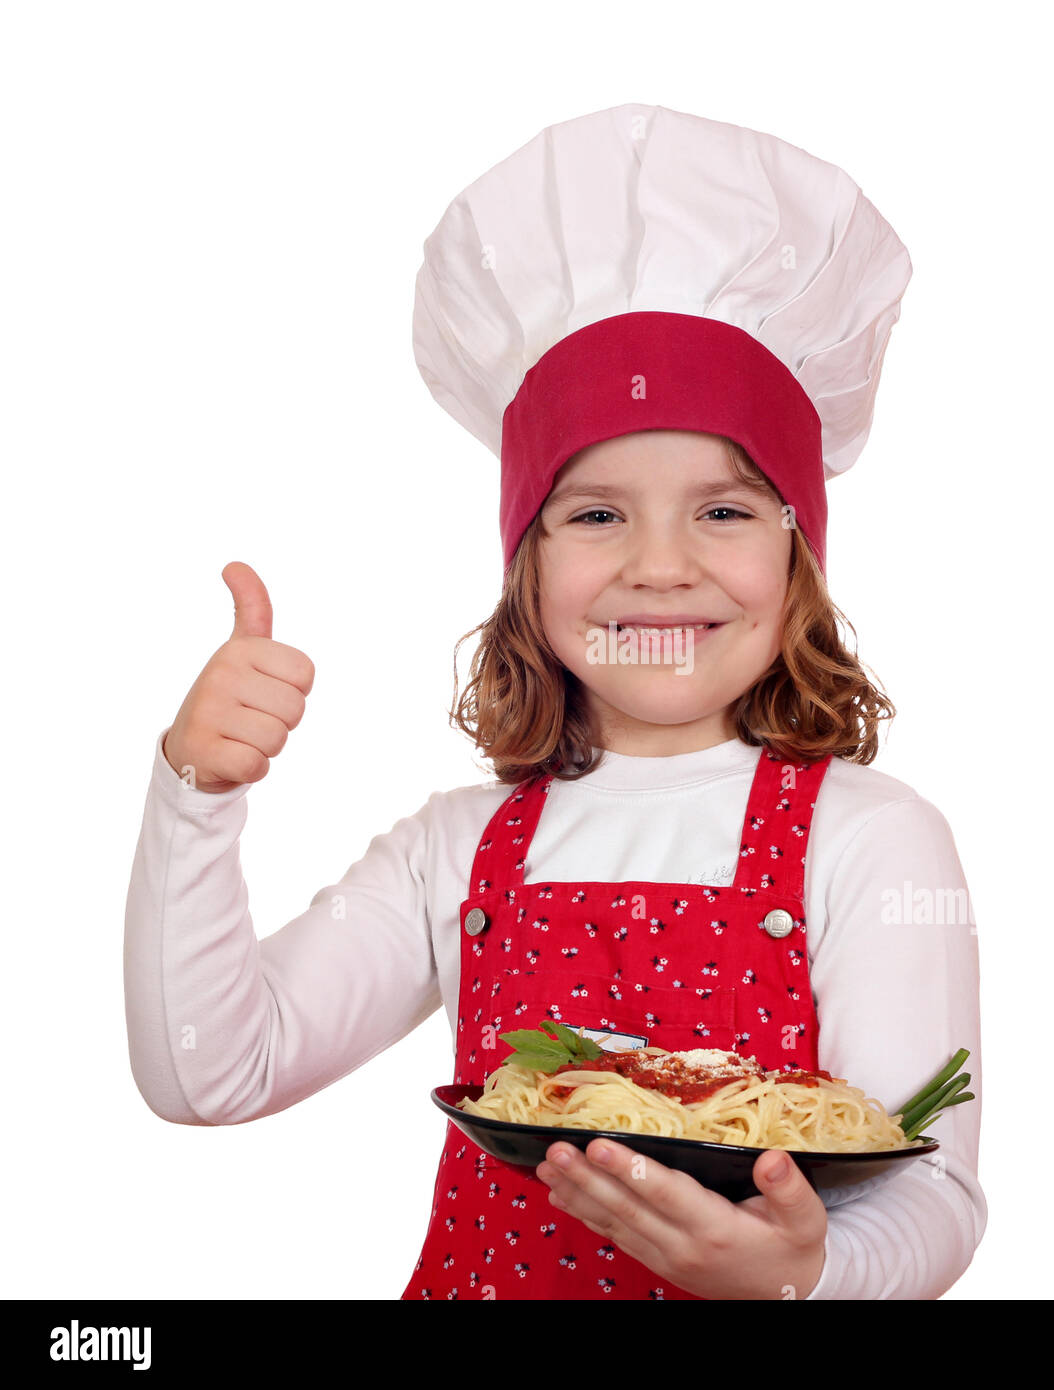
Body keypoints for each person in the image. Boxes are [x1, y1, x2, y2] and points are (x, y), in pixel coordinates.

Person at [124, 102, 986, 1300]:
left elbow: (926, 1183)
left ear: (798, 556)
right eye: (594, 513)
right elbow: (209, 1072)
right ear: (523, 563)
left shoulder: (871, 835)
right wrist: (197, 793)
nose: (658, 563)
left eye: (725, 509)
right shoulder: (454, 848)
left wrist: (807, 1272)